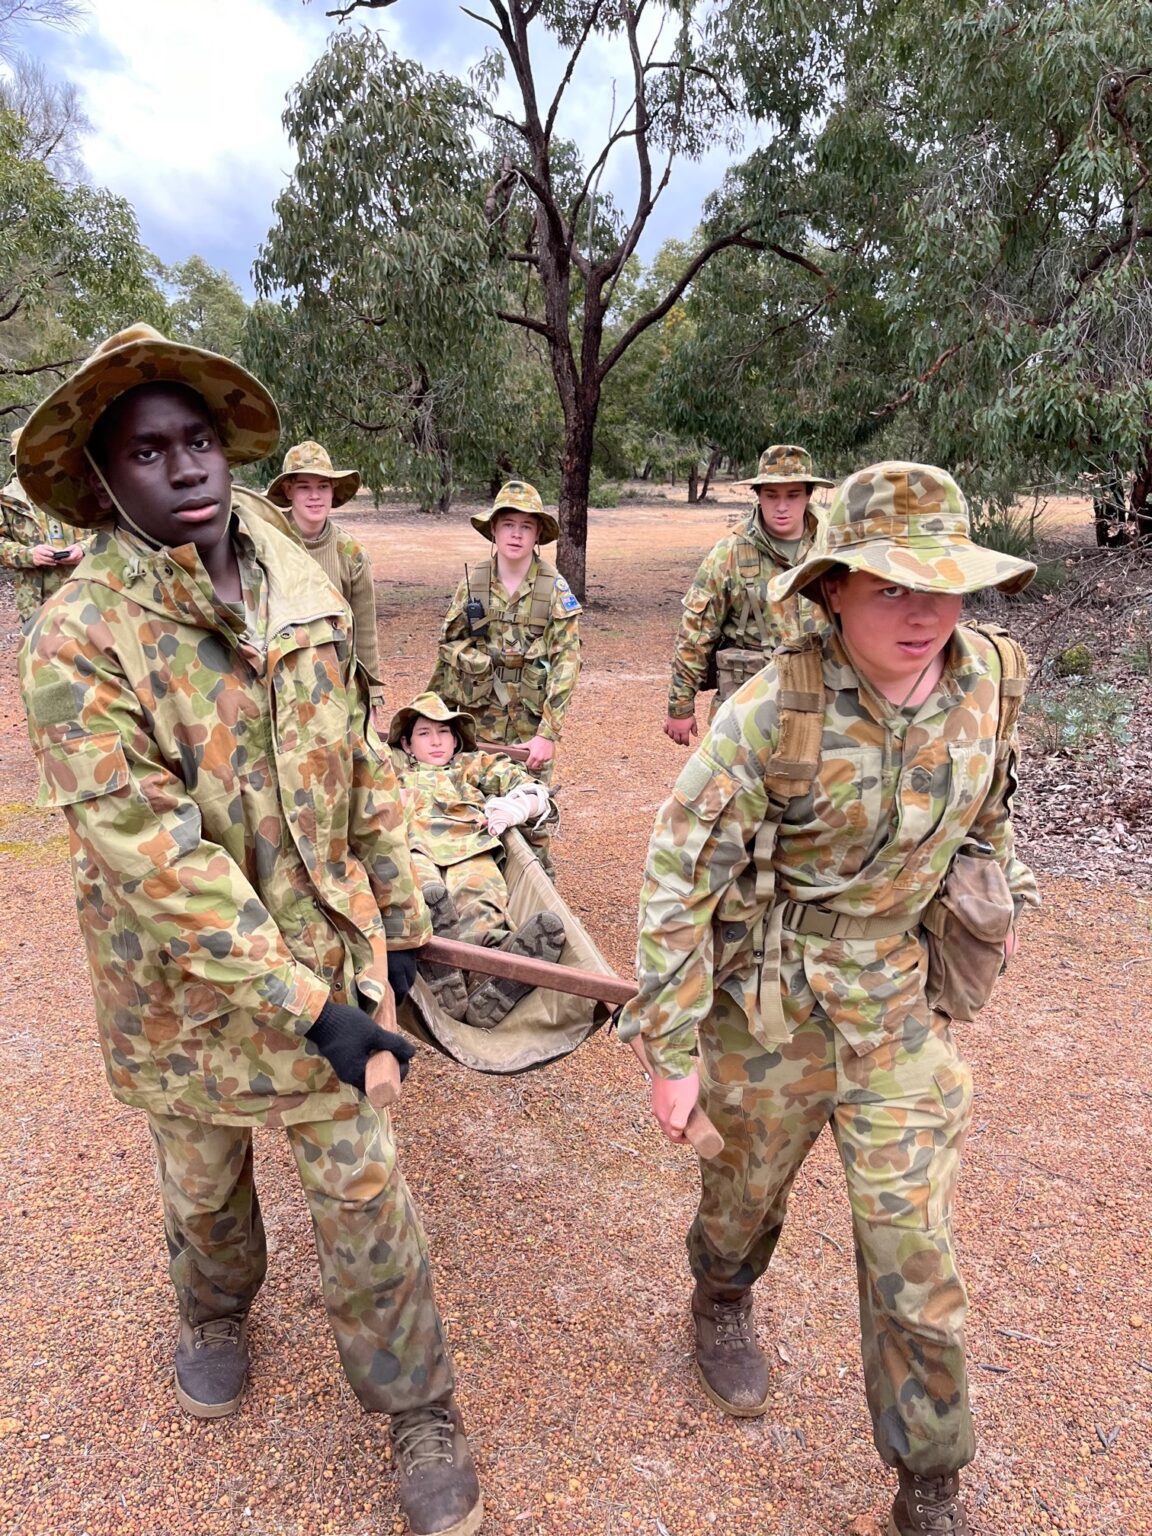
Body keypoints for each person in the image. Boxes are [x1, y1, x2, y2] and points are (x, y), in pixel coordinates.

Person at [17, 326, 482, 1536]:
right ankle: (217, 1310)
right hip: (183, 994)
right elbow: (157, 862)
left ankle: (417, 1406)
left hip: (327, 960)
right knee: (206, 1182)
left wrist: (406, 911)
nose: (184, 467)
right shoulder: (78, 638)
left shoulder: (301, 575)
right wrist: (312, 1011)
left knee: (367, 1191)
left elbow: (361, 765)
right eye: (147, 450)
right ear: (104, 480)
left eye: (197, 439)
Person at [619, 461, 1038, 1536]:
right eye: (890, 586)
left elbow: (989, 812)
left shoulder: (993, 676)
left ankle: (928, 1484)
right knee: (741, 1194)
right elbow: (678, 879)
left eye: (941, 583)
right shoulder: (771, 712)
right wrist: (669, 1051)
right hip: (770, 1002)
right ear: (833, 588)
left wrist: (994, 894)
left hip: (897, 1002)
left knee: (912, 1247)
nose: (924, 611)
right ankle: (720, 1293)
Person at [428, 479, 581, 877]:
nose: (516, 533)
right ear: (493, 530)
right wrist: (428, 718)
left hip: (530, 723)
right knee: (476, 805)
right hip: (478, 720)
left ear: (538, 535)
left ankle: (541, 900)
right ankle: (486, 890)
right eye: (508, 524)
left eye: (526, 526)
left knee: (531, 809)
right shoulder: (473, 584)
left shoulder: (554, 588)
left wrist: (549, 733)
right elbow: (448, 654)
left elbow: (567, 662)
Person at [389, 691, 564, 1028]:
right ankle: (439, 968)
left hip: (471, 846)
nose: (436, 741)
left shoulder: (473, 765)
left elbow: (527, 785)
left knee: (481, 908)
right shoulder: (392, 766)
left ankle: (484, 983)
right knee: (422, 896)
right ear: (408, 745)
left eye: (444, 733)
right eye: (424, 733)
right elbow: (352, 763)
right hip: (409, 847)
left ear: (456, 742)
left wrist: (521, 803)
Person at [664, 443, 834, 745]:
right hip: (747, 705)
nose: (782, 506)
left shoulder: (833, 548)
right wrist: (680, 706)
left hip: (825, 701)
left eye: (793, 495)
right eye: (772, 495)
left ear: (809, 495)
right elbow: (695, 633)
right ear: (758, 496)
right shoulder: (728, 554)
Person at [266, 439, 386, 725]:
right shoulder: (266, 541)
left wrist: (373, 695)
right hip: (278, 682)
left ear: (333, 492)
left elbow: (365, 630)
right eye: (304, 487)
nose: (314, 496)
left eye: (323, 486)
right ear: (288, 490)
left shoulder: (351, 554)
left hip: (334, 682)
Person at [0, 425, 87, 625]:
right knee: (40, 653)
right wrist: (28, 555)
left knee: (84, 650)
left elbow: (107, 532)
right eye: (26, 456)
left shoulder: (78, 492)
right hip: (34, 601)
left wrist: (83, 549)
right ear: (16, 460)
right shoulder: (6, 500)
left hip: (83, 591)